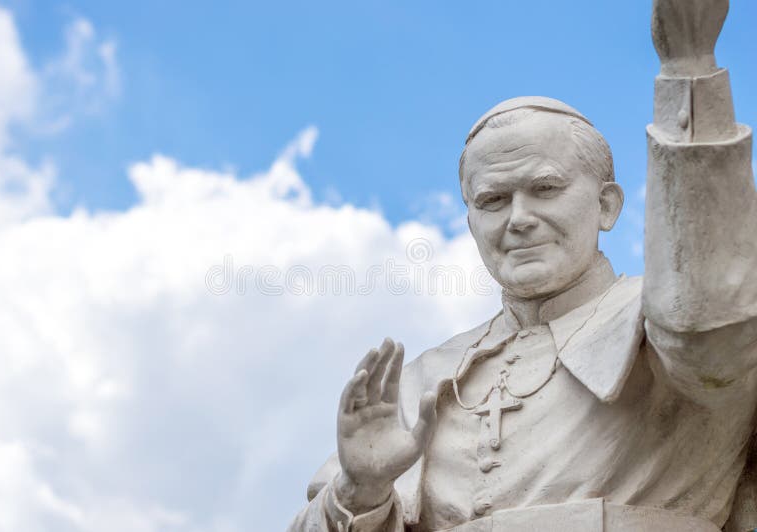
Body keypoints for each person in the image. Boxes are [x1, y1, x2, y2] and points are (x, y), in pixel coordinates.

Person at [291, 1, 757, 530]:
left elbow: (709, 310)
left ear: (607, 206)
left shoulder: (664, 329)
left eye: (545, 189)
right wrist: (363, 488)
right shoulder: (419, 381)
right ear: (470, 223)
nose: (519, 218)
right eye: (492, 200)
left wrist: (688, 74)